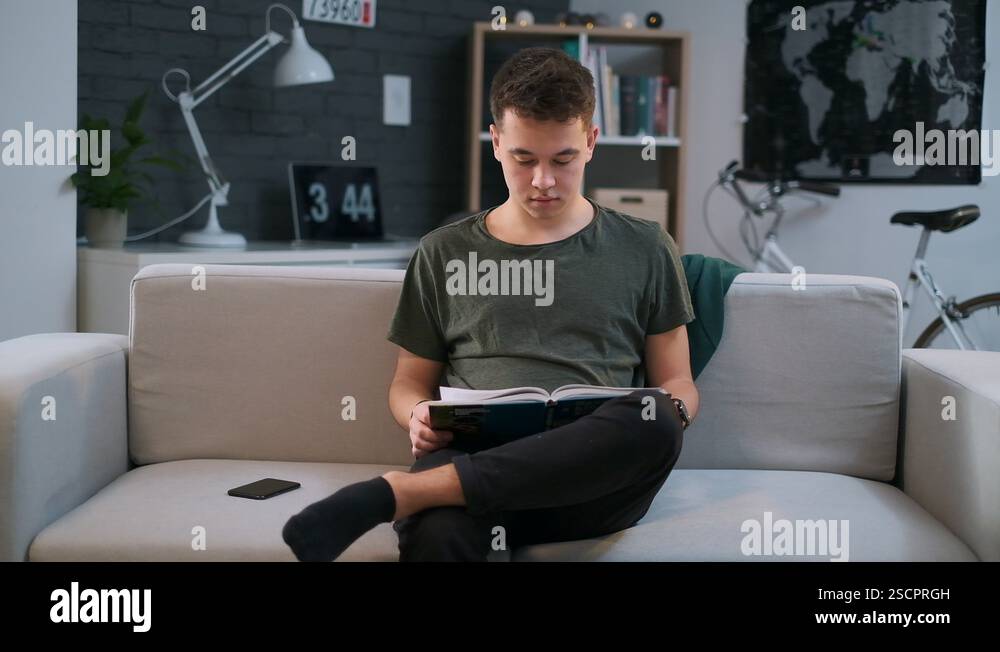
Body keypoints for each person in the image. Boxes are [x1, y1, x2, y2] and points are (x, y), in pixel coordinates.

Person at [282, 46, 698, 562]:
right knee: (437, 536)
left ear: (590, 142)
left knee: (653, 417)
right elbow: (409, 381)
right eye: (524, 159)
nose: (543, 181)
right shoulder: (444, 252)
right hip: (471, 464)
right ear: (496, 141)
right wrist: (416, 416)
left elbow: (677, 381)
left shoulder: (646, 246)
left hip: (589, 483)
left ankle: (398, 494)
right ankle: (429, 495)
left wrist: (677, 410)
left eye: (562, 159)